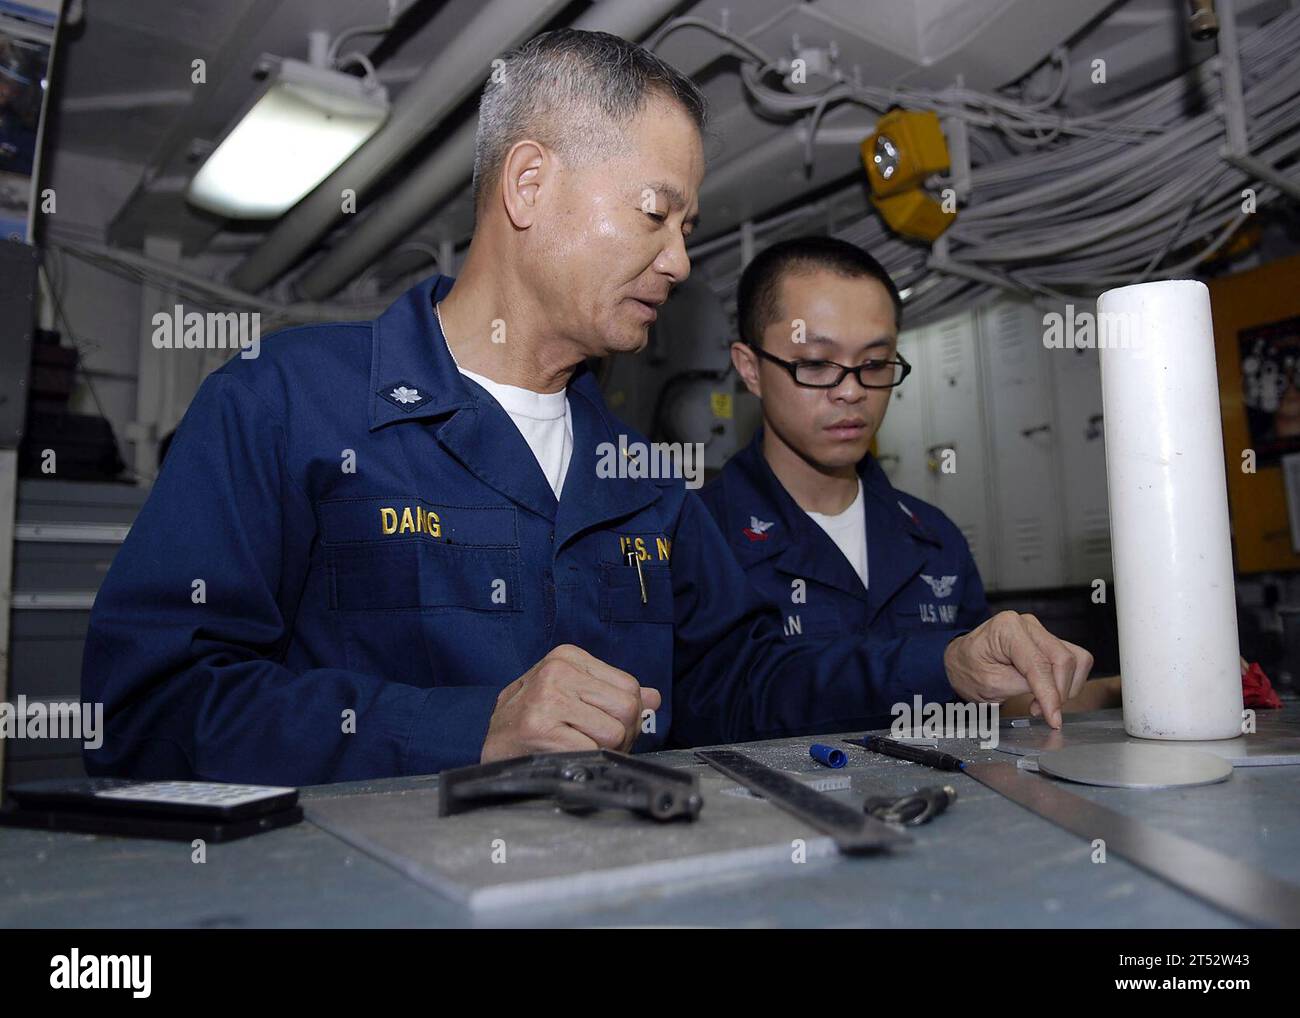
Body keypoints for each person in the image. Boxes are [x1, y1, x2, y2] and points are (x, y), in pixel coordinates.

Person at [82, 30, 1090, 786]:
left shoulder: (641, 481)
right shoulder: (286, 405)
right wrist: (471, 726)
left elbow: (738, 682)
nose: (681, 259)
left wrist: (942, 664)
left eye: (688, 224)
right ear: (529, 182)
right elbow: (150, 705)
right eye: (657, 212)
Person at [701, 236, 1094, 719]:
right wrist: (940, 664)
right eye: (817, 364)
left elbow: (988, 713)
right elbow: (723, 701)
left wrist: (1098, 689)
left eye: (873, 364)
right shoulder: (697, 534)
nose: (850, 392)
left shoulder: (934, 540)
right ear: (751, 369)